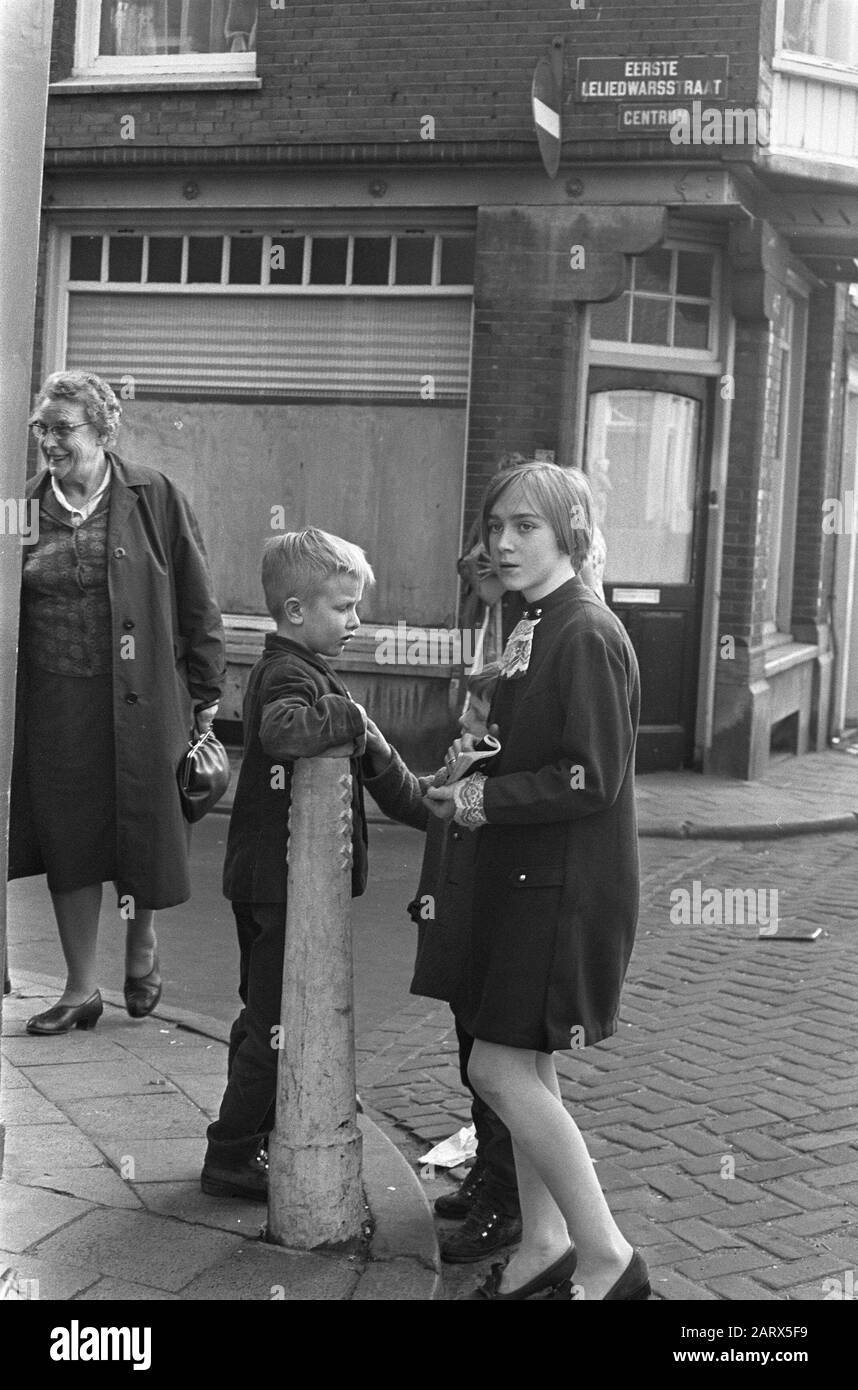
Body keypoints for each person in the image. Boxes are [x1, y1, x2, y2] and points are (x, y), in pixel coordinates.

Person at [425, 462, 648, 1302]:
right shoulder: (540, 620)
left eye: (526, 526)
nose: (504, 542)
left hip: (562, 892)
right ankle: (545, 1245)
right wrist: (480, 766)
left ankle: (607, 1255)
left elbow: (591, 777)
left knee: (497, 1069)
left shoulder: (584, 630)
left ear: (570, 534)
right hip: (531, 882)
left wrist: (479, 799)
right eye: (497, 526)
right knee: (523, 1068)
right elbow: (546, 752)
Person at [202, 528, 427, 1200]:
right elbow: (282, 731)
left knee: (269, 1016)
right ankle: (231, 1154)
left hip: (272, 881)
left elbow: (385, 774)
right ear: (297, 611)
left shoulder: (308, 669)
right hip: (275, 883)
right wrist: (348, 716)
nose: (356, 621)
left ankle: (258, 1133)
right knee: (274, 1024)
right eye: (344, 607)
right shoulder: (286, 674)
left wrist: (430, 805)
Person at [9, 370, 225, 1036]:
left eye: (62, 429)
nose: (49, 441)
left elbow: (196, 595)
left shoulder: (153, 495)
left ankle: (142, 941)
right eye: (41, 428)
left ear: (102, 431)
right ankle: (80, 989)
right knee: (69, 837)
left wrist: (206, 689)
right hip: (56, 699)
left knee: (144, 824)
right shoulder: (23, 506)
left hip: (145, 692)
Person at [408, 663, 523, 1263]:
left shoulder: (500, 779)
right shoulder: (469, 765)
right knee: (473, 1066)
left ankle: (506, 1202)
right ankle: (488, 1174)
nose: (461, 718)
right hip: (458, 934)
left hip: (485, 940)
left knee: (496, 1072)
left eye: (475, 712)